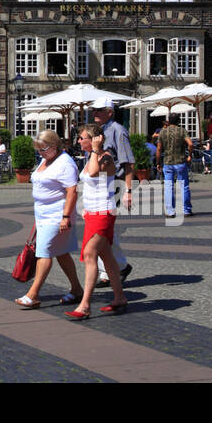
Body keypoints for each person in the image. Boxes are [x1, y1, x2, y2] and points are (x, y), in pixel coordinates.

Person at [15, 131, 82, 309]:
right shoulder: (47, 159)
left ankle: (33, 294)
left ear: (53, 146)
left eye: (43, 149)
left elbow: (72, 192)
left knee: (44, 252)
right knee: (61, 252)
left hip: (57, 214)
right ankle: (76, 289)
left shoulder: (65, 163)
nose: (40, 153)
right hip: (43, 214)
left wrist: (66, 217)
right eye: (38, 150)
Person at [66, 124, 127, 319]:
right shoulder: (91, 157)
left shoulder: (106, 157)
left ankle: (84, 305)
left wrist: (95, 149)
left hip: (103, 213)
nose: (78, 141)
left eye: (82, 137)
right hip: (93, 212)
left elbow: (93, 173)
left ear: (94, 139)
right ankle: (119, 297)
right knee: (107, 257)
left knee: (89, 253)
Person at [91, 98, 133, 285]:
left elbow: (128, 162)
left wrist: (129, 190)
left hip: (113, 185)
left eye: (100, 110)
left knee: (101, 228)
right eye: (94, 110)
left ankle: (113, 269)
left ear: (110, 112)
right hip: (97, 185)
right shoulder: (98, 132)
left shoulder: (118, 130)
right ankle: (114, 268)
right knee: (102, 229)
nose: (95, 113)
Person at [156, 116, 192, 215]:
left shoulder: (163, 132)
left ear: (168, 121)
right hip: (180, 161)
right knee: (183, 186)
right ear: (178, 121)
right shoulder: (182, 131)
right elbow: (190, 144)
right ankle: (186, 210)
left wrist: (158, 162)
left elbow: (159, 149)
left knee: (168, 186)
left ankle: (170, 211)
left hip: (168, 162)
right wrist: (190, 155)